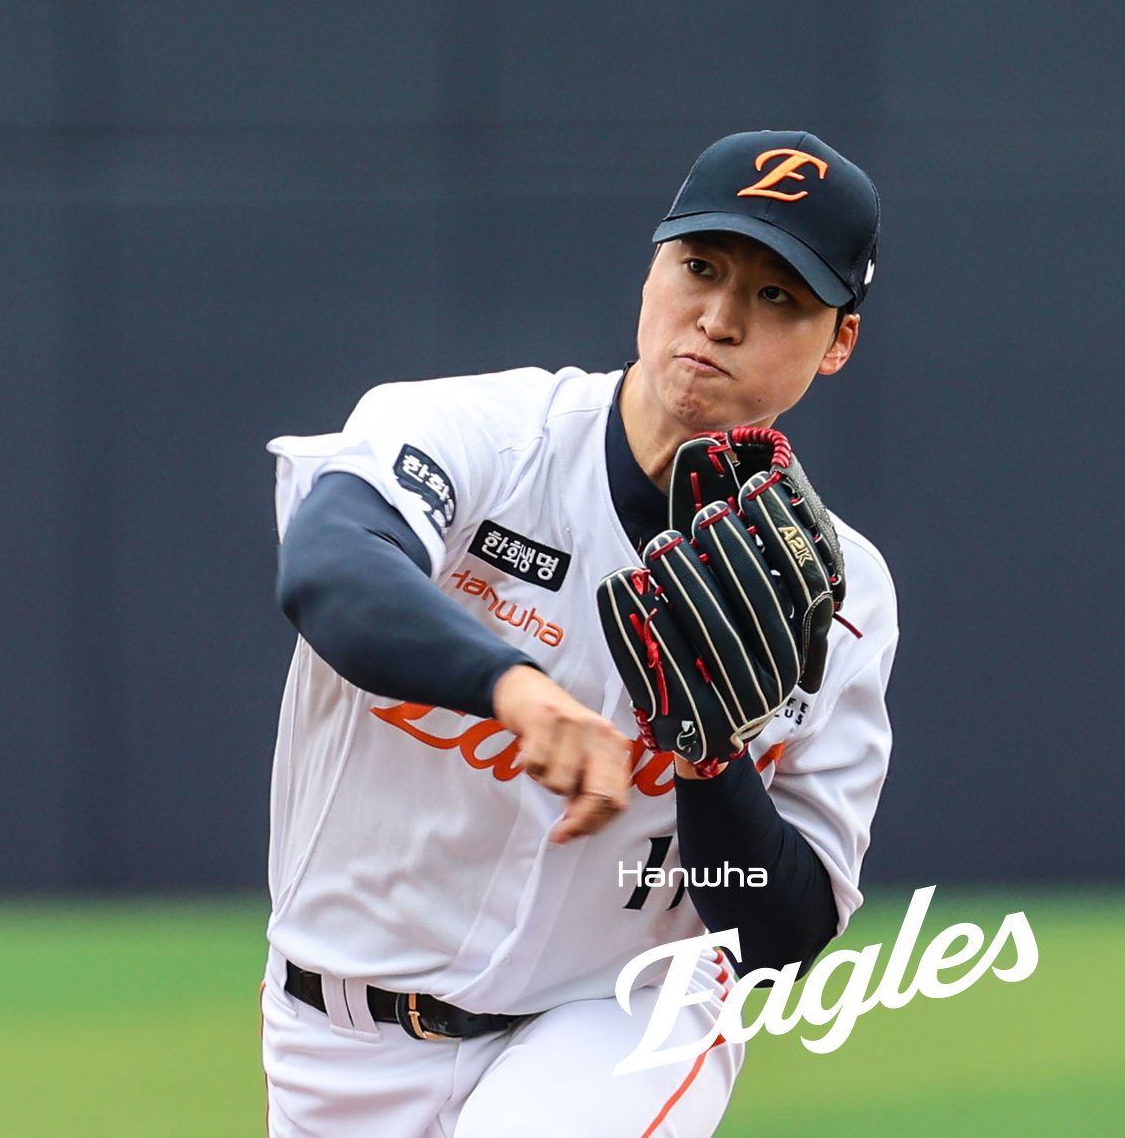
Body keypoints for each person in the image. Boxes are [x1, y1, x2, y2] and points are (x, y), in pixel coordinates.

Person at [259, 131, 898, 1136]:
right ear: (651, 266)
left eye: (778, 294)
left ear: (837, 341)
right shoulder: (480, 435)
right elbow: (329, 565)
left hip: (615, 1015)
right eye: (699, 266)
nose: (719, 317)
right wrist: (514, 687)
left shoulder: (841, 592)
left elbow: (779, 930)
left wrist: (711, 757)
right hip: (333, 1029)